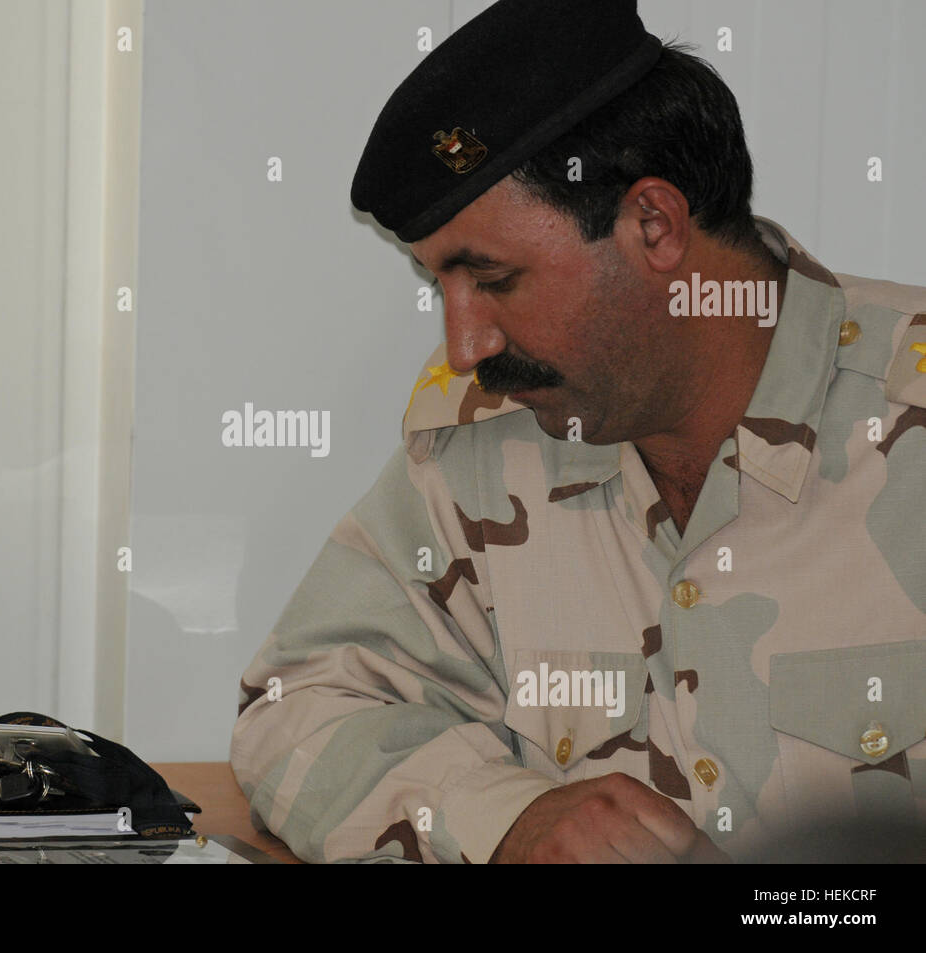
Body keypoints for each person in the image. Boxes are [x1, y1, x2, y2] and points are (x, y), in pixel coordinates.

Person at [230, 0, 926, 863]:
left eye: (492, 277)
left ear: (655, 225)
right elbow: (295, 707)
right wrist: (503, 818)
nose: (465, 344)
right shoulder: (485, 447)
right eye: (438, 281)